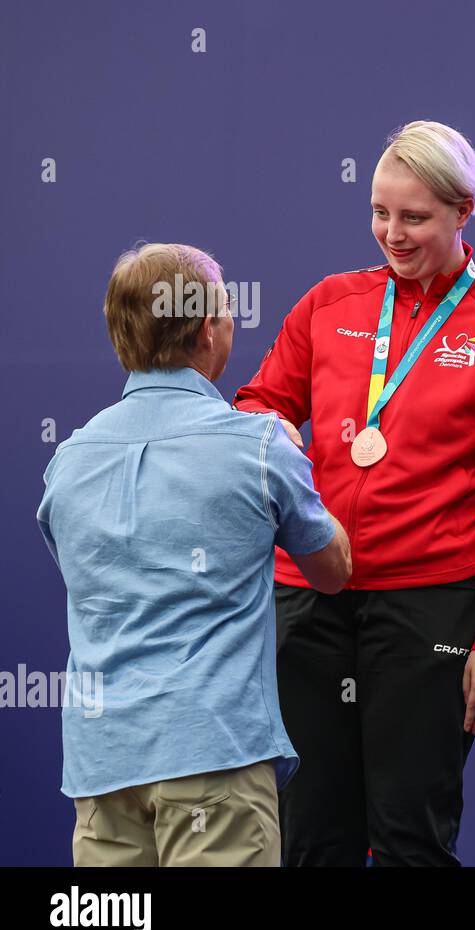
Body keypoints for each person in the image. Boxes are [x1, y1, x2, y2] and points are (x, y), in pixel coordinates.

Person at [232, 120, 475, 866]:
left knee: (411, 836)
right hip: (310, 597)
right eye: (380, 213)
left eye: (414, 217)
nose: (393, 233)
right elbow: (260, 407)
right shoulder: (329, 304)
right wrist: (269, 436)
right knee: (311, 836)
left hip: (430, 603)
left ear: (462, 212)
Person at [36, 242, 351, 866]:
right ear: (208, 328)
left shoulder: (65, 463)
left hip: (102, 768)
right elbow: (332, 570)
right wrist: (297, 459)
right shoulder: (260, 445)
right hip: (216, 759)